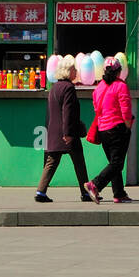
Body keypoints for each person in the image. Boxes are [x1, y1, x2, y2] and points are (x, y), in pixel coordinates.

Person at [35, 55, 93, 203]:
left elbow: (51, 112)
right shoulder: (68, 88)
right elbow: (68, 112)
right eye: (74, 69)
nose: (76, 71)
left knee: (51, 161)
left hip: (54, 132)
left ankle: (41, 191)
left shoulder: (54, 87)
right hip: (67, 133)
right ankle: (85, 193)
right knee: (79, 162)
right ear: (68, 71)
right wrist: (68, 133)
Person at [84, 57, 135, 203]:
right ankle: (95, 184)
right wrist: (127, 126)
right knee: (117, 163)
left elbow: (96, 108)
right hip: (117, 128)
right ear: (119, 71)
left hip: (103, 130)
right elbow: (125, 110)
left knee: (114, 162)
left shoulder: (99, 87)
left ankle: (119, 193)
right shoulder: (121, 86)